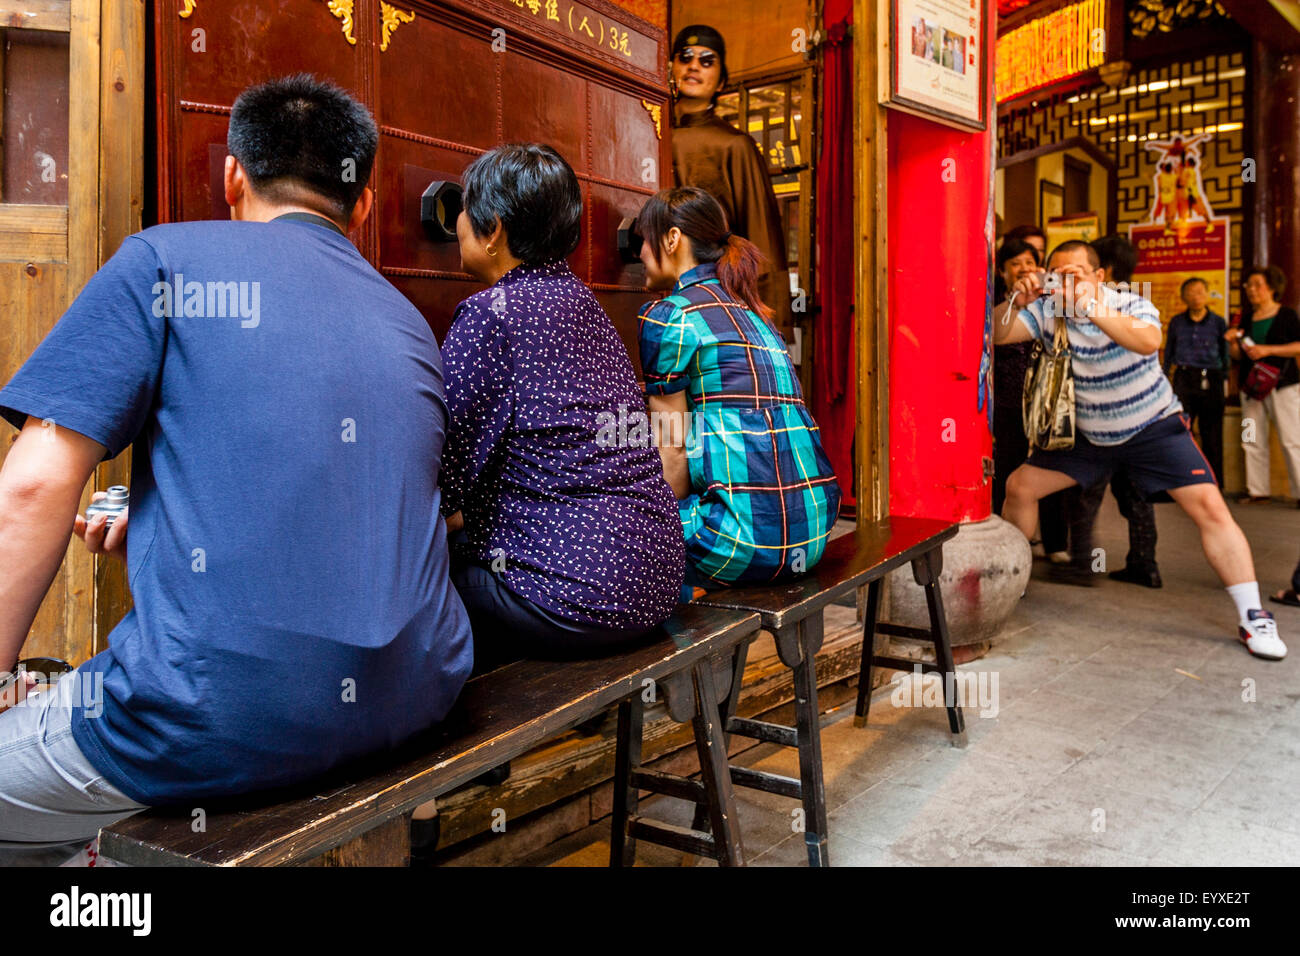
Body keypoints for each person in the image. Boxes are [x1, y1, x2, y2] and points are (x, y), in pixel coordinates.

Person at [0, 74, 474, 864]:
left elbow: (34, 486)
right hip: (418, 695)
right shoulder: (410, 322)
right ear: (359, 209)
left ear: (232, 176)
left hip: (213, 719)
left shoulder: (164, 259)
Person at [439, 143, 684, 667]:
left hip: (577, 596)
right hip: (656, 582)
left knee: (428, 577)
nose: (456, 221)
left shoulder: (491, 315)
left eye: (463, 209)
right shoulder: (585, 304)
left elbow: (442, 477)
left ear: (494, 230)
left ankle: (475, 741)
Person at [996, 240, 1287, 660]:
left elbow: (1147, 342)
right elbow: (1000, 333)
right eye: (1056, 275)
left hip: (1153, 427)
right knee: (1020, 486)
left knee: (1209, 507)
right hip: (1089, 435)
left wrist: (1088, 305)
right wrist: (1015, 301)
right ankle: (1010, 586)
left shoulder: (1130, 303)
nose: (1064, 283)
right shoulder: (1047, 310)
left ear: (1100, 277)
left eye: (1074, 274)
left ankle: (1254, 615)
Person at [635, 186, 841, 593]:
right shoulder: (755, 313)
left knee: (624, 529)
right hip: (812, 531)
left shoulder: (669, 316)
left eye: (645, 238)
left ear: (672, 239)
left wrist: (656, 528)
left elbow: (671, 449)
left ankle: (680, 645)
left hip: (739, 544)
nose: (640, 251)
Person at [668, 24, 793, 339]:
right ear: (670, 68)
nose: (694, 66)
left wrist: (770, 325)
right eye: (685, 57)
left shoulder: (735, 145)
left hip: (714, 297)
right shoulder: (649, 128)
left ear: (721, 80)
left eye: (707, 60)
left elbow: (761, 240)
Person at [1063, 235, 1162, 588]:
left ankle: (1083, 564)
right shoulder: (1138, 299)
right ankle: (1144, 562)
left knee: (1086, 491)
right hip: (1140, 416)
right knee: (1135, 492)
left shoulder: (1098, 303)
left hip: (1101, 415)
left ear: (1104, 270)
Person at [991, 237, 1069, 563]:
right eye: (1015, 264)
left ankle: (1055, 544)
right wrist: (1016, 302)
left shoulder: (1053, 299)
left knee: (1051, 473)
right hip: (1008, 406)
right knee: (1006, 473)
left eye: (1029, 262)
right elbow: (989, 333)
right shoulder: (996, 303)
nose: (1024, 269)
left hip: (1047, 404)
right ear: (1002, 270)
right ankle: (1002, 543)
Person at [1224, 265, 1300, 505]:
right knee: (1251, 436)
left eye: (1257, 284)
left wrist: (1268, 350)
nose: (1251, 290)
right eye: (1249, 285)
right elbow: (1238, 357)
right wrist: (1232, 344)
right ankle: (1257, 490)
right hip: (1251, 389)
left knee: (1292, 438)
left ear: (1271, 288)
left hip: (1283, 386)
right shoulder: (1245, 318)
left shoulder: (1286, 315)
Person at [1164, 276, 1228, 486]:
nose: (1196, 297)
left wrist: (1225, 378)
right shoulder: (1176, 322)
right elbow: (1169, 353)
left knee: (1212, 433)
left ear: (1207, 294)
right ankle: (1184, 480)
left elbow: (1225, 353)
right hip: (1184, 378)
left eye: (1200, 292)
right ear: (1184, 297)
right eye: (1191, 292)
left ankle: (1214, 481)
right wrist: (1166, 376)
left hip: (1212, 378)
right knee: (1182, 430)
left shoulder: (1219, 323)